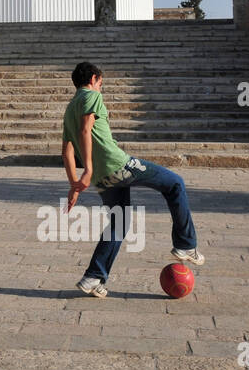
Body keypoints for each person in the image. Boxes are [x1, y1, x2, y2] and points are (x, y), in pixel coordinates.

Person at [62, 61, 204, 297]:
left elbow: (66, 149)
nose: (100, 88)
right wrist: (86, 169)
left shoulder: (69, 109)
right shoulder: (92, 97)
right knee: (175, 183)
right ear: (94, 79)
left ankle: (93, 277)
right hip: (117, 165)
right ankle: (185, 245)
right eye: (100, 83)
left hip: (101, 177)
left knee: (119, 224)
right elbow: (86, 130)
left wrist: (74, 184)